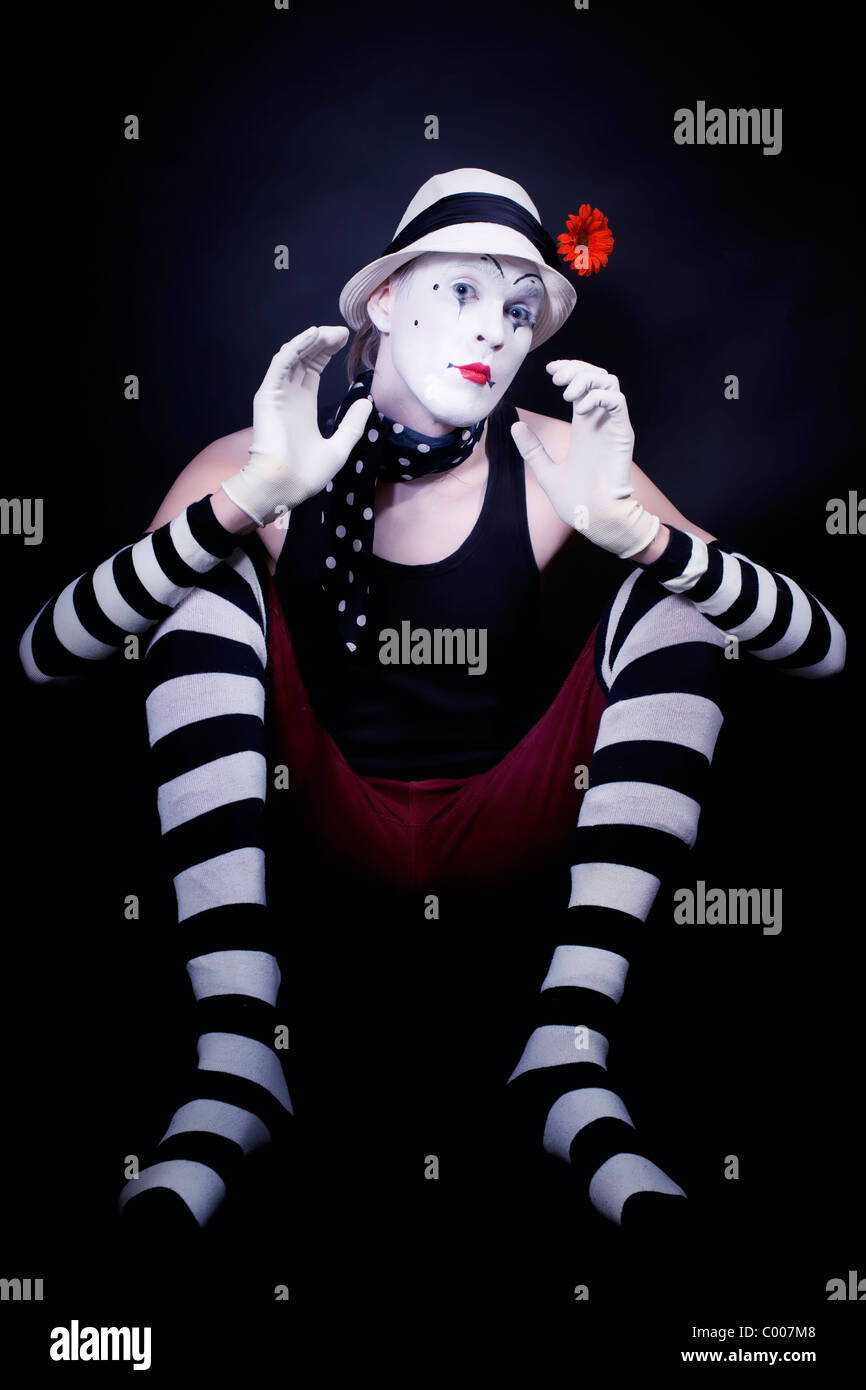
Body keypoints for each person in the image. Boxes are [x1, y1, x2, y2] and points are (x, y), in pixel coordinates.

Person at [19, 169, 846, 1281]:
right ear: (385, 303)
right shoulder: (260, 456)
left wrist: (641, 537)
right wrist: (244, 501)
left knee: (678, 601)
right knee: (200, 586)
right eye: (459, 292)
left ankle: (567, 1051)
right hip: (321, 812)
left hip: (501, 819)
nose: (491, 334)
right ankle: (233, 1061)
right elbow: (45, 656)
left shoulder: (559, 458)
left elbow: (823, 646)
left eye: (515, 311)